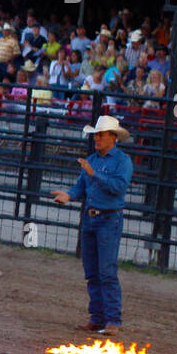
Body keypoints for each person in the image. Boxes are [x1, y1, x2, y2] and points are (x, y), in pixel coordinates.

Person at [51, 115, 134, 336]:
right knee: (93, 272)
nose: (96, 138)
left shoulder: (120, 162)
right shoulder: (95, 161)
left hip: (108, 218)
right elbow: (81, 187)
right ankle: (99, 318)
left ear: (112, 137)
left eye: (100, 135)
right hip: (93, 218)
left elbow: (117, 187)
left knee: (105, 271)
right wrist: (68, 195)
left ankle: (111, 319)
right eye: (96, 135)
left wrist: (93, 174)